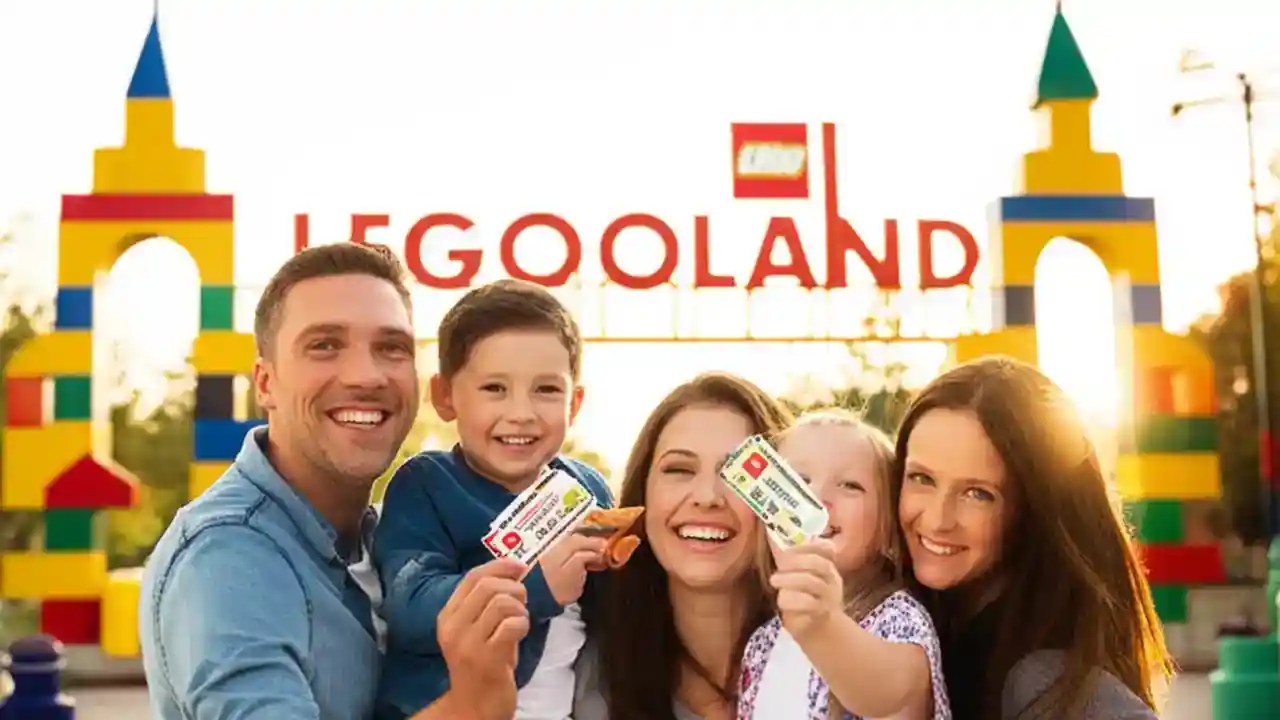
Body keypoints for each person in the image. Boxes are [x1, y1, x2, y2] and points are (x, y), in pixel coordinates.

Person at [139, 242, 528, 719]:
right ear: (266, 383)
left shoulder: (384, 539)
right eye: (324, 345)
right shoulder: (228, 556)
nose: (366, 376)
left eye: (391, 348)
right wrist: (471, 704)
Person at [373, 278, 614, 719]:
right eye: (494, 389)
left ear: (574, 403)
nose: (520, 412)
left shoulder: (588, 490)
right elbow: (410, 604)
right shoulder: (427, 485)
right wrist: (536, 587)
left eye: (546, 390)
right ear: (445, 397)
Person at [891, 356, 1173, 719]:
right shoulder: (905, 626)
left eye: (978, 493)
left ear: (1034, 510)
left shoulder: (1047, 677)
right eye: (922, 479)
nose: (937, 519)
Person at [574, 371, 793, 720]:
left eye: (738, 474)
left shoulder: (846, 660)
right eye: (679, 470)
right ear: (642, 491)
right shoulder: (581, 675)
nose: (707, 497)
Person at [736, 410, 950, 719]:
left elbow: (891, 695)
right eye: (796, 481)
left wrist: (822, 624)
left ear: (887, 528)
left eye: (850, 485)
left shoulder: (897, 619)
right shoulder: (761, 644)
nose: (817, 497)